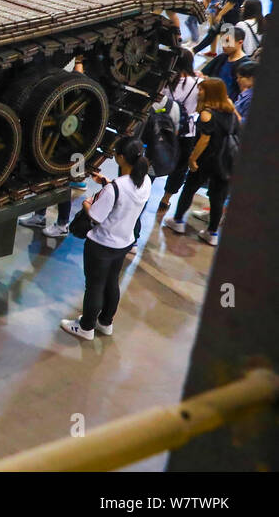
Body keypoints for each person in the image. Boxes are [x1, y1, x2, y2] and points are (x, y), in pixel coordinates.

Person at [60, 137, 153, 340]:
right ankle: (105, 322)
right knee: (112, 282)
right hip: (123, 242)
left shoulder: (116, 188)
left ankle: (85, 327)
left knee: (94, 285)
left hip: (101, 244)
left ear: (120, 158)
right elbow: (125, 194)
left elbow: (95, 216)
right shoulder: (144, 181)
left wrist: (87, 203)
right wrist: (106, 183)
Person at [163, 78, 237, 246]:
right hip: (225, 160)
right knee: (218, 197)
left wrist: (193, 158)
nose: (199, 91)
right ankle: (212, 232)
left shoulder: (206, 114)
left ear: (210, 92)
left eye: (202, 89)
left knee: (189, 188)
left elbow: (204, 140)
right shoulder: (230, 108)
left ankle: (178, 221)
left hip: (206, 159)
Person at [157, 48, 201, 212]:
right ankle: (166, 199)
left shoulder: (165, 81)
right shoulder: (198, 84)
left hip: (163, 128)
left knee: (155, 158)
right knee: (180, 168)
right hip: (186, 131)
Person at [202, 32, 246, 100]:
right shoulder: (222, 57)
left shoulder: (244, 64)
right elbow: (203, 72)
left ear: (240, 42)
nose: (224, 45)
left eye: (228, 41)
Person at [234, 61, 255, 125]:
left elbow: (244, 125)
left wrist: (232, 109)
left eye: (240, 77)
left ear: (252, 78)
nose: (237, 80)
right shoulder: (246, 93)